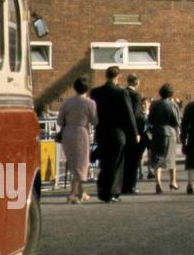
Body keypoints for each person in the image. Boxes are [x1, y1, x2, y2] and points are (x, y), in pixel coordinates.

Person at [89, 66, 137, 203]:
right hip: (117, 132)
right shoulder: (121, 93)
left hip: (102, 130)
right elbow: (129, 115)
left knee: (105, 161)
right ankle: (113, 191)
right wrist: (134, 132)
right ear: (118, 76)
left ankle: (102, 189)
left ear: (106, 75)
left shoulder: (96, 92)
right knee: (116, 162)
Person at [57, 77, 97, 204]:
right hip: (81, 132)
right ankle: (73, 194)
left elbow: (59, 120)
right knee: (81, 163)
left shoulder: (67, 102)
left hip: (68, 132)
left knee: (73, 163)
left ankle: (81, 192)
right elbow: (95, 121)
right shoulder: (90, 103)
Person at [146, 83, 182, 193]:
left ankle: (158, 182)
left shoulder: (154, 104)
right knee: (171, 158)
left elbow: (150, 119)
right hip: (169, 132)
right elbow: (177, 121)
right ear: (171, 94)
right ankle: (173, 181)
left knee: (157, 157)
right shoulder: (172, 105)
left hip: (157, 132)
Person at [122, 73, 145, 193]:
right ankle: (131, 185)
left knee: (125, 159)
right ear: (136, 82)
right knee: (134, 159)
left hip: (123, 130)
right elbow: (135, 114)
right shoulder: (135, 95)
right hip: (134, 130)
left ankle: (123, 184)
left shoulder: (122, 92)